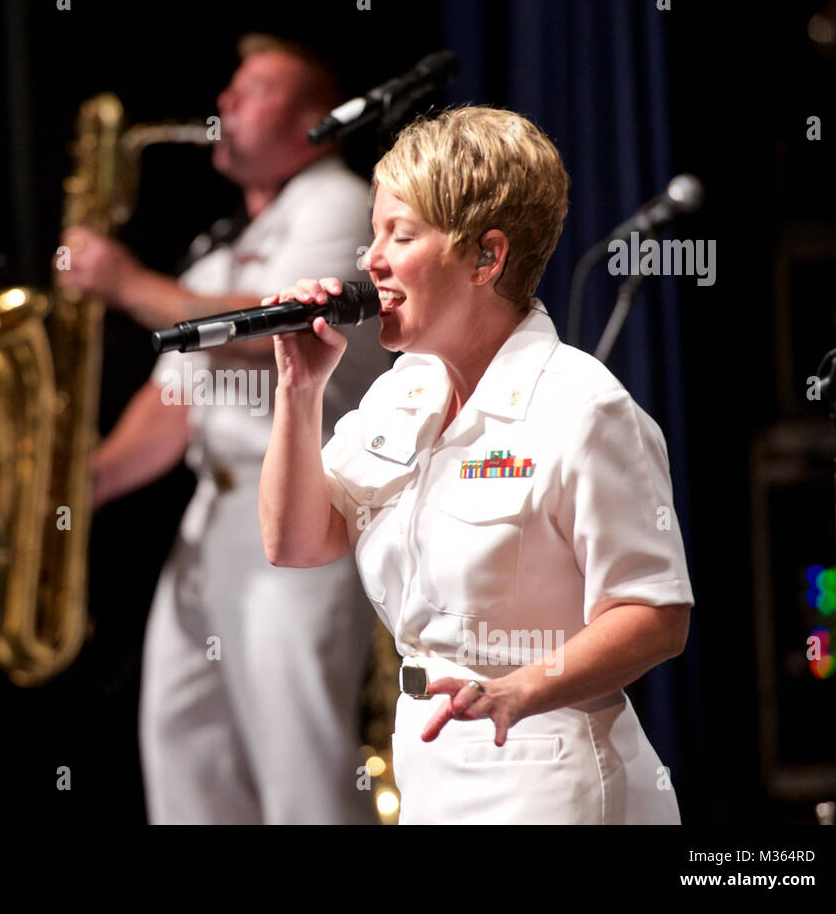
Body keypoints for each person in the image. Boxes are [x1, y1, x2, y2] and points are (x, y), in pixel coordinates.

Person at [258, 105, 694, 824]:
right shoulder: (403, 392)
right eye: (374, 232)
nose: (370, 260)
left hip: (546, 773)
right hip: (430, 768)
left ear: (486, 258)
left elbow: (654, 616)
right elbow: (297, 543)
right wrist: (298, 391)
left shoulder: (582, 407)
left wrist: (522, 688)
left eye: (401, 235)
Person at [57, 34, 392, 823]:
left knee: (301, 766)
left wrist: (126, 283)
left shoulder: (338, 201)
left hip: (301, 512)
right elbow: (177, 400)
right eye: (231, 89)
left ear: (316, 123)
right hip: (212, 515)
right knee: (185, 755)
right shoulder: (222, 247)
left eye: (257, 90)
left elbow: (274, 326)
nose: (227, 103)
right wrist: (78, 487)